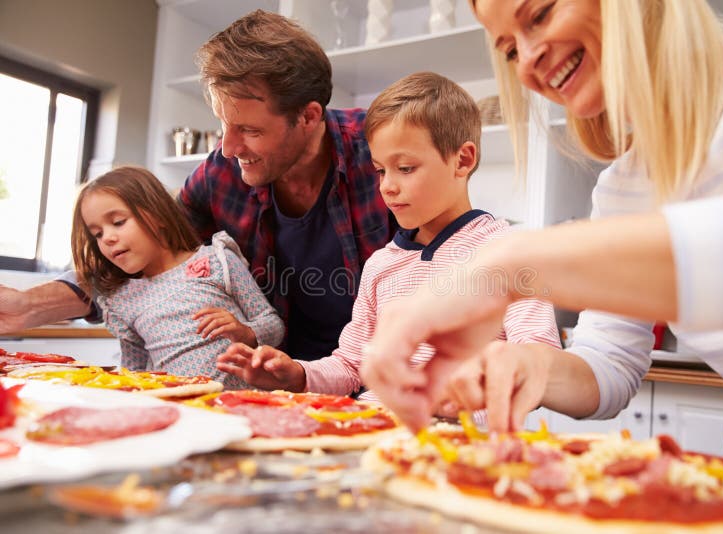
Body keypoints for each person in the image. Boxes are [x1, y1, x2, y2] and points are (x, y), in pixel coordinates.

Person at [360, 0, 723, 470]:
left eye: (541, 14)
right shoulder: (624, 187)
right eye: (509, 50)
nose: (527, 60)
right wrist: (528, 365)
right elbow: (608, 364)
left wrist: (507, 266)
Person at [0, 10, 395, 362]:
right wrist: (27, 306)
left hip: (381, 374)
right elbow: (145, 244)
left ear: (308, 116)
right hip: (277, 379)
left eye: (249, 130)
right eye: (224, 124)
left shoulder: (383, 150)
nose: (229, 146)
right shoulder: (220, 174)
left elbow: (446, 261)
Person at [216, 72, 560, 402]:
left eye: (405, 168)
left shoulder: (511, 252)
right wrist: (298, 375)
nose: (387, 186)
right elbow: (351, 366)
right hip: (375, 429)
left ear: (462, 160)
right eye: (380, 170)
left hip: (461, 442)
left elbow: (537, 355)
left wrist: (472, 381)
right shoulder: (382, 264)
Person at [71, 166, 284, 389]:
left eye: (118, 222)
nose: (108, 238)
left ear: (158, 215)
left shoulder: (217, 261)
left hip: (241, 406)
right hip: (181, 410)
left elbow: (273, 325)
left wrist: (245, 333)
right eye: (98, 234)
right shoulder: (122, 299)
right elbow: (134, 375)